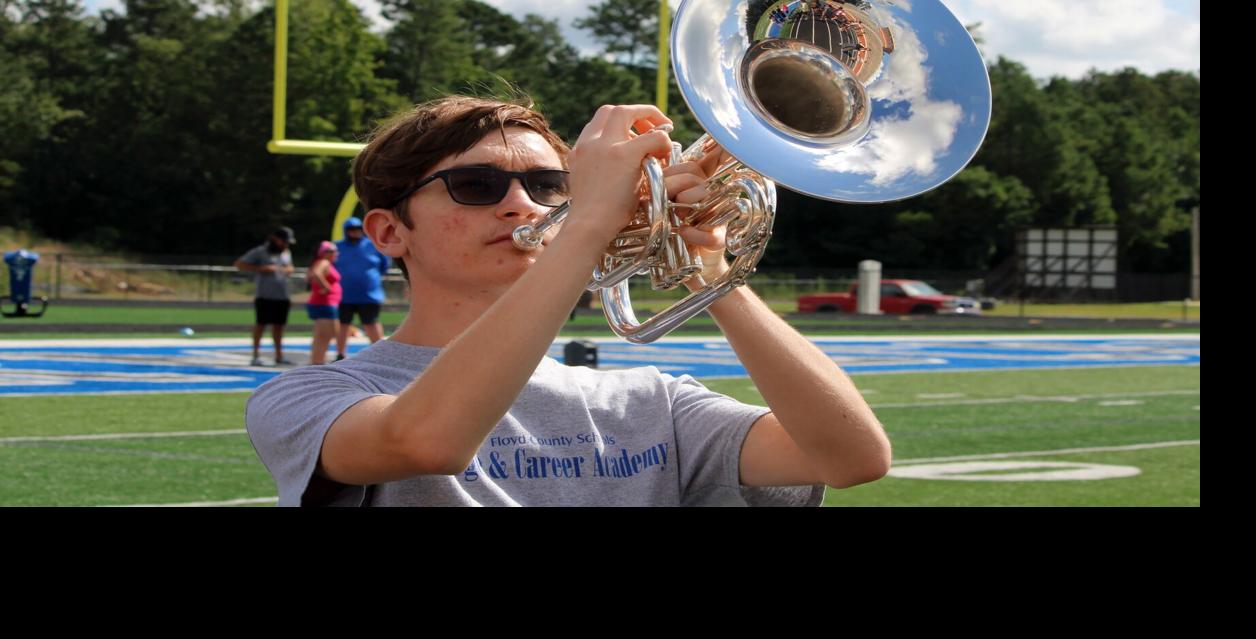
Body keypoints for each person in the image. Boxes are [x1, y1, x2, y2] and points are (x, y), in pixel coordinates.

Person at [245, 95, 890, 506]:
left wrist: (712, 274)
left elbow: (852, 457)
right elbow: (425, 441)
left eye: (549, 184)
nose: (521, 203)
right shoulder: (307, 398)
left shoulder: (654, 403)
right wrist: (584, 228)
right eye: (476, 184)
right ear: (390, 232)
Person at [333, 216, 392, 360]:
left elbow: (384, 265)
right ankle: (340, 354)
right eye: (351, 229)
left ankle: (380, 355)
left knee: (371, 323)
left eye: (358, 229)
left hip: (369, 294)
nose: (355, 232)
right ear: (346, 231)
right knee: (343, 324)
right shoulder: (337, 247)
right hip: (344, 295)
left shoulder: (372, 245)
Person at [235, 226, 296, 366]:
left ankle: (279, 355)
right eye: (283, 241)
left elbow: (290, 267)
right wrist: (260, 269)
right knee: (261, 325)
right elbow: (239, 264)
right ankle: (256, 355)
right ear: (275, 239)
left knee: (279, 326)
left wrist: (289, 269)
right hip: (265, 295)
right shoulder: (260, 251)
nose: (285, 244)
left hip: (282, 295)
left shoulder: (286, 252)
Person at [305, 240, 343, 366]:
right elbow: (316, 274)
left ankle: (317, 360)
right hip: (324, 303)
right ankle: (317, 362)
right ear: (323, 253)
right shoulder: (324, 262)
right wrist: (326, 287)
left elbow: (310, 275)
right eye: (332, 251)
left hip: (326, 304)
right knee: (324, 335)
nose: (335, 253)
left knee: (323, 335)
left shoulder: (322, 263)